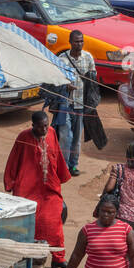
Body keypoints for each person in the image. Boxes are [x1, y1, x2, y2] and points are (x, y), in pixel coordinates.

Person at [4, 111, 72, 268]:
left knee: (54, 222)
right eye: (41, 127)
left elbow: (58, 156)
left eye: (46, 125)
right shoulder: (23, 137)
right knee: (28, 223)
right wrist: (10, 181)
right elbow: (14, 158)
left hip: (49, 187)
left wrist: (62, 173)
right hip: (27, 188)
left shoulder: (52, 133)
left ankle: (58, 258)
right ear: (33, 125)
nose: (44, 129)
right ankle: (27, 256)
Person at [55, 30, 96, 177]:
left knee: (77, 138)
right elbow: (56, 81)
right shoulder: (62, 59)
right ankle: (63, 166)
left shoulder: (88, 57)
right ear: (70, 42)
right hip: (65, 104)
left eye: (81, 41)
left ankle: (73, 165)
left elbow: (93, 79)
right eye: (76, 41)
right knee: (66, 137)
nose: (79, 44)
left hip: (81, 104)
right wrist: (65, 86)